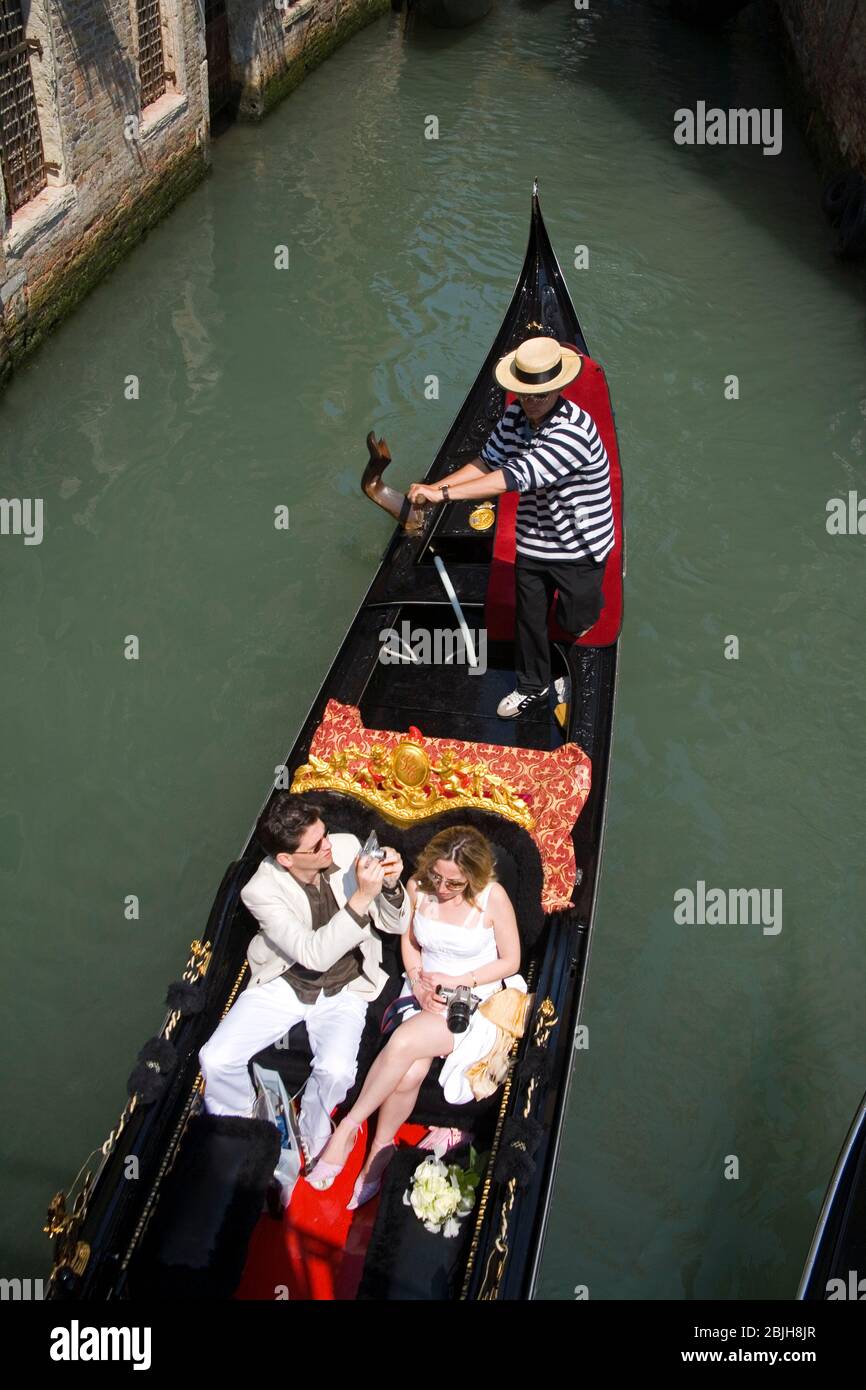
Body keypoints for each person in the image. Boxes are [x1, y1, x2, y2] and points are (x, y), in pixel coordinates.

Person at [306, 825, 525, 1207]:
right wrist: (420, 985)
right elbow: (409, 943)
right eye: (437, 876)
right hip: (422, 989)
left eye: (454, 883)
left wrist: (460, 979)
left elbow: (511, 961)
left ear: (473, 877)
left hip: (474, 996)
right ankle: (381, 1147)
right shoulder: (417, 886)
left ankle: (347, 1128)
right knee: (409, 1071)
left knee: (404, 1041)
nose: (441, 888)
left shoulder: (494, 899)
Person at [407, 335, 615, 718]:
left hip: (580, 544)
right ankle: (533, 687)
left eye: (539, 394)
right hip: (535, 535)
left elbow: (511, 478)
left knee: (576, 619)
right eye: (524, 393)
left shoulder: (573, 432)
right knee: (530, 616)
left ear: (557, 388)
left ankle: (577, 642)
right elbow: (488, 461)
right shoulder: (517, 414)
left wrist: (443, 496)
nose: (530, 401)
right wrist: (433, 486)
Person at [198, 795, 410, 1164]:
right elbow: (313, 955)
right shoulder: (260, 891)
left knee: (337, 1070)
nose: (329, 845)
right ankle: (242, 1127)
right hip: (286, 982)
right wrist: (362, 896)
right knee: (214, 1058)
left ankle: (311, 1137)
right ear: (286, 859)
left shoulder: (346, 847)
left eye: (325, 834)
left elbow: (397, 924)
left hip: (347, 984)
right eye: (316, 846)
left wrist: (390, 886)